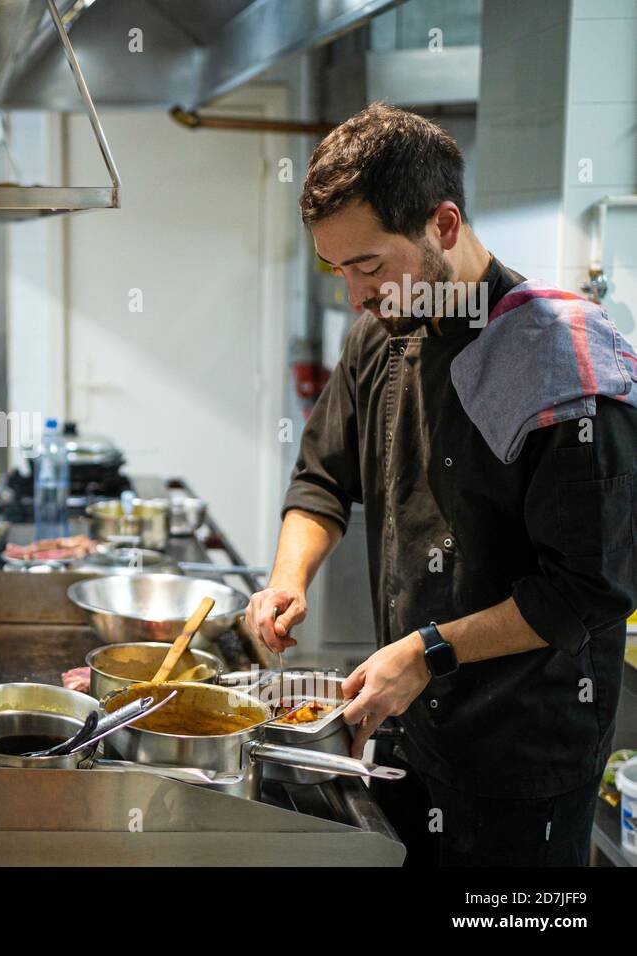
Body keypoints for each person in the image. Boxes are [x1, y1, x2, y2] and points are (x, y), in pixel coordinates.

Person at [245, 103, 637, 866]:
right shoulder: (381, 334)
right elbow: (321, 478)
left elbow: (590, 588)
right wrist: (287, 579)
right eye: (337, 270)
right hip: (407, 727)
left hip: (524, 761)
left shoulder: (564, 364)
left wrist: (427, 651)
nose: (354, 295)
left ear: (444, 224)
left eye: (366, 265)